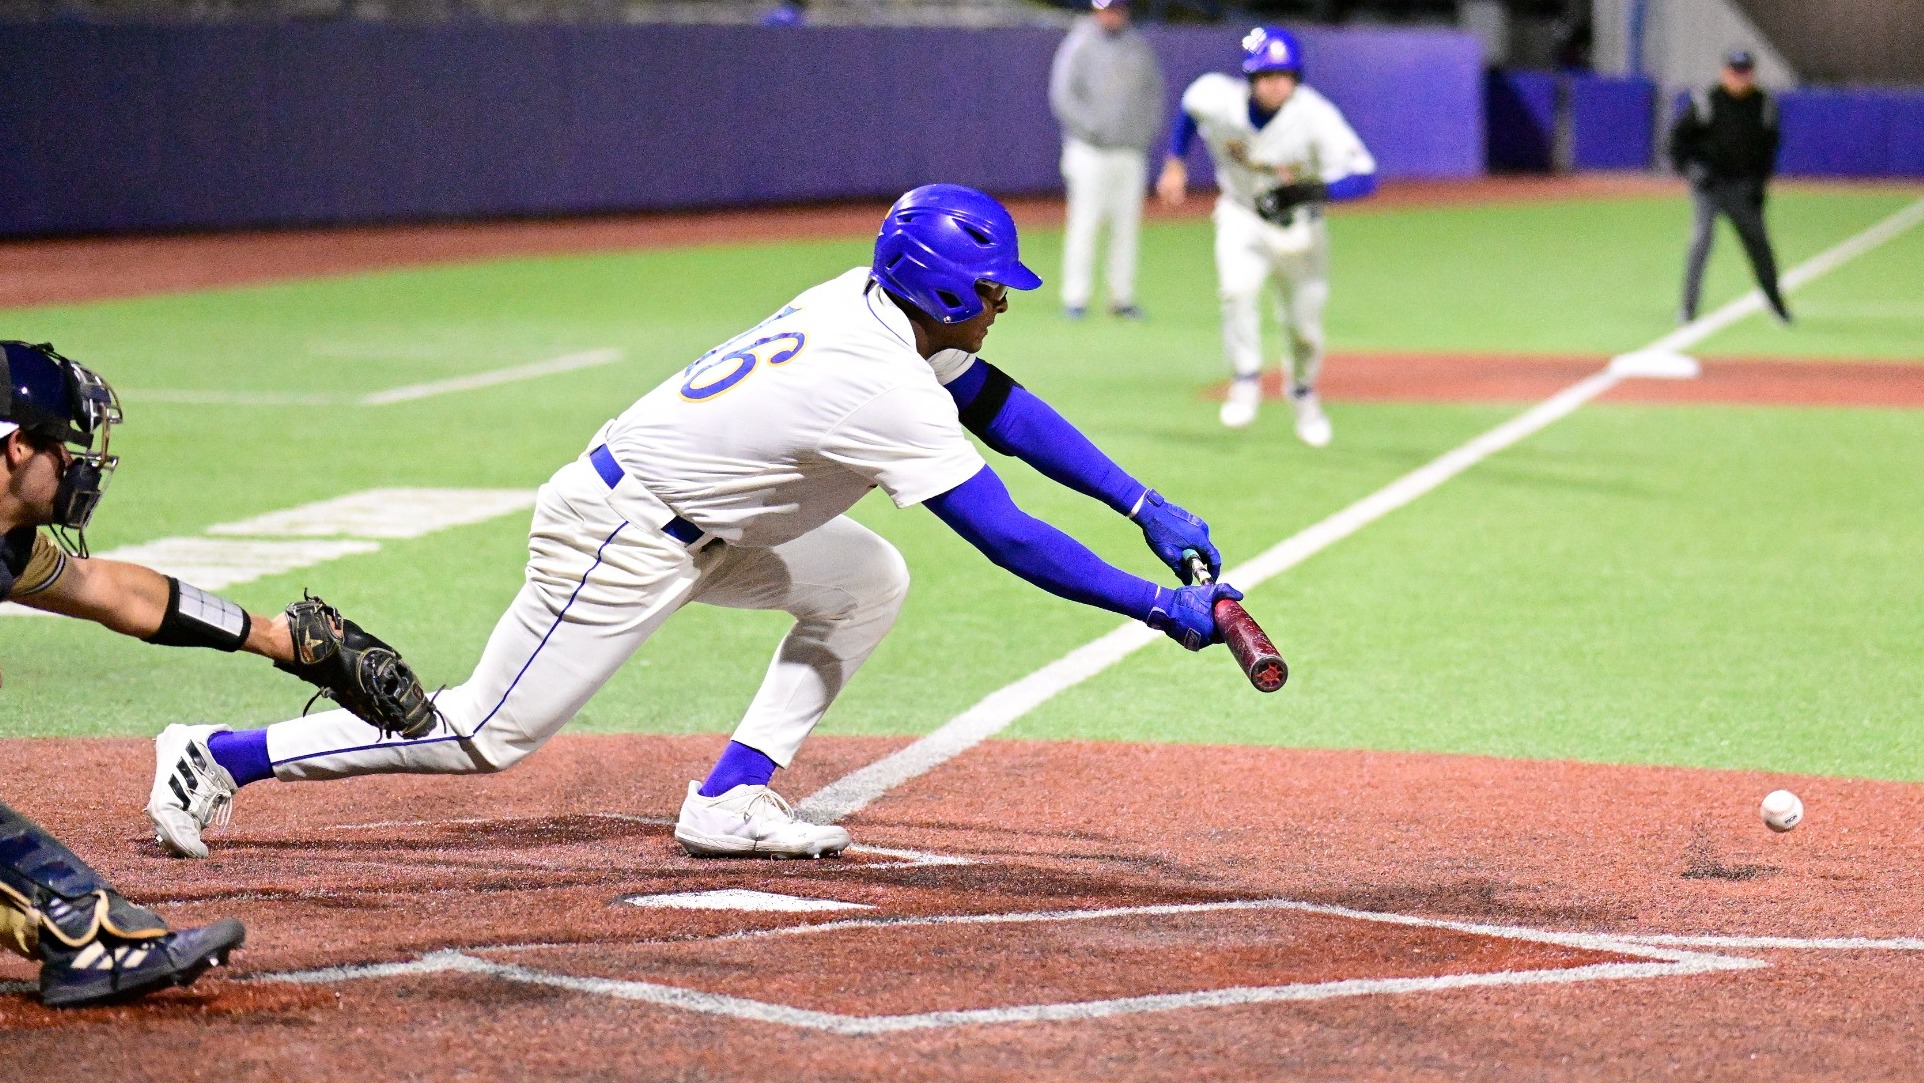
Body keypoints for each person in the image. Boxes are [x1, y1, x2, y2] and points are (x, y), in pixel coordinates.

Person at [145, 184, 1244, 862]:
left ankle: (732, 797)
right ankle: (219, 754)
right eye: (988, 286)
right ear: (938, 290)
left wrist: (1141, 505)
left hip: (709, 521)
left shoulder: (868, 301)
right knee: (484, 733)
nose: (1001, 299)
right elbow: (1005, 534)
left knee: (865, 579)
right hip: (621, 532)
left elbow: (995, 400)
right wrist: (1157, 607)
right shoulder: (877, 383)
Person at [1, 340, 246, 1006]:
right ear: (17, 446)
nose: (76, 465)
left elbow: (113, 591)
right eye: (63, 446)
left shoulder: (7, 541)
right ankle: (84, 932)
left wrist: (275, 639)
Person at [1157, 27, 1377, 444]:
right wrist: (1175, 162)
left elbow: (1365, 176)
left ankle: (1304, 392)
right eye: (1267, 75)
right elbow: (1189, 109)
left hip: (1301, 231)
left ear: (1296, 78)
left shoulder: (1314, 116)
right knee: (1236, 292)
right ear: (1251, 78)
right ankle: (1245, 379)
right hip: (1241, 216)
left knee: (1304, 328)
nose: (1276, 85)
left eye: (1285, 75)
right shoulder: (1219, 99)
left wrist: (1305, 191)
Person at [1048, 0, 1165, 320]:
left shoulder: (1139, 47)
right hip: (1089, 150)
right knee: (1084, 224)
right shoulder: (1079, 43)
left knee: (1125, 227)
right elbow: (1063, 95)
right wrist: (1091, 129)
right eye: (1105, 8)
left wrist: (1141, 136)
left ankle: (1121, 298)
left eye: (1116, 8)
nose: (1111, 14)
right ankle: (1075, 298)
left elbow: (1154, 96)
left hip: (1129, 151)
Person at [1669, 48, 1791, 325]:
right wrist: (1693, 171)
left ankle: (1776, 305)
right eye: (1735, 72)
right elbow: (1677, 143)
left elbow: (1768, 148)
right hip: (1709, 187)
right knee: (1700, 243)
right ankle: (1687, 307)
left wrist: (1760, 185)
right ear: (1724, 72)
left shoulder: (1763, 104)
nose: (1740, 77)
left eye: (1745, 72)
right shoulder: (1706, 103)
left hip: (1742, 188)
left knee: (1759, 245)